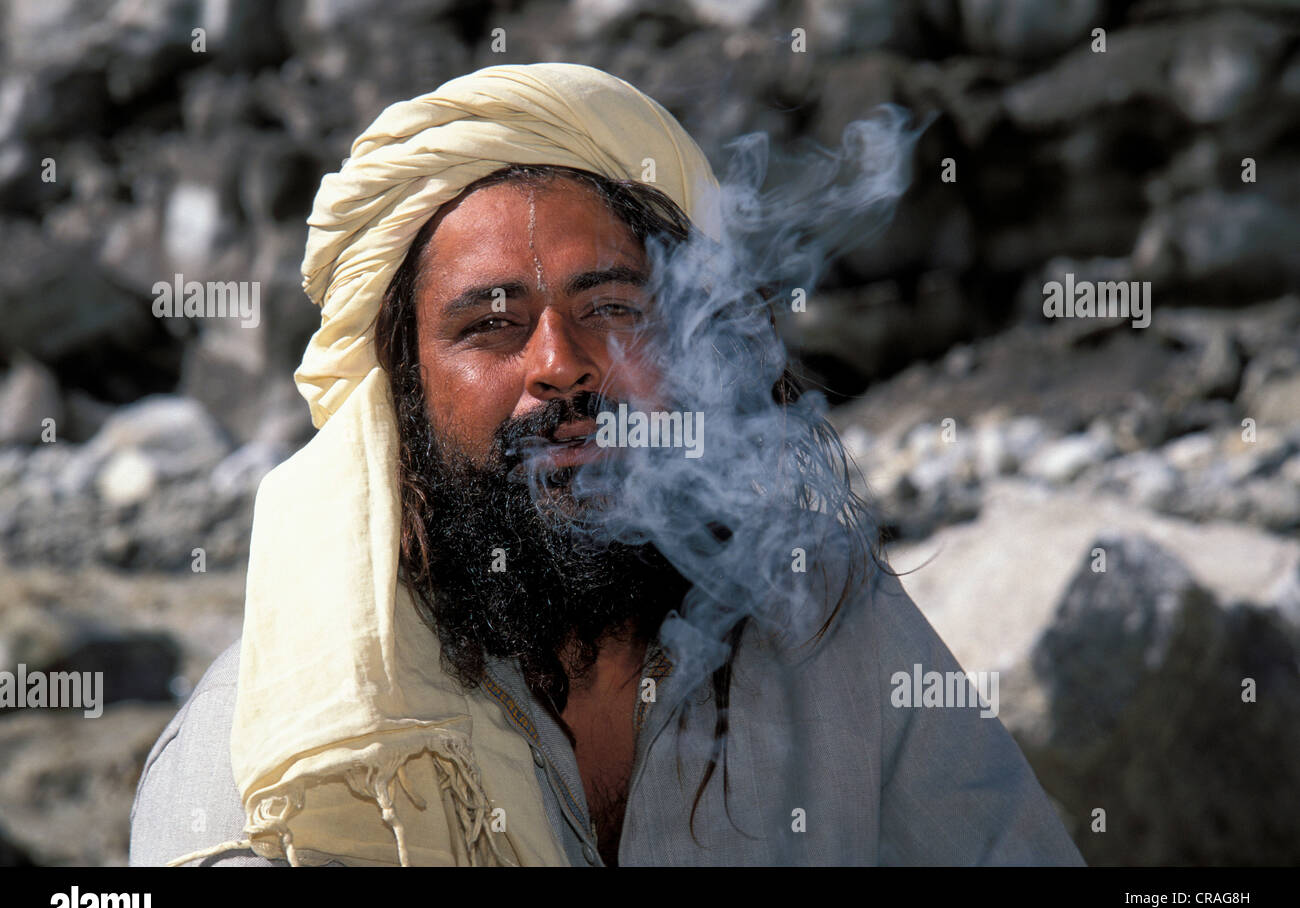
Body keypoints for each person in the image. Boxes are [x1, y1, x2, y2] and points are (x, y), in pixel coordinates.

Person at [129, 62, 1084, 867]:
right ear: (403, 392)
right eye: (489, 324)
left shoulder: (830, 625)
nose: (560, 364)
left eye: (614, 308)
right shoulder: (269, 751)